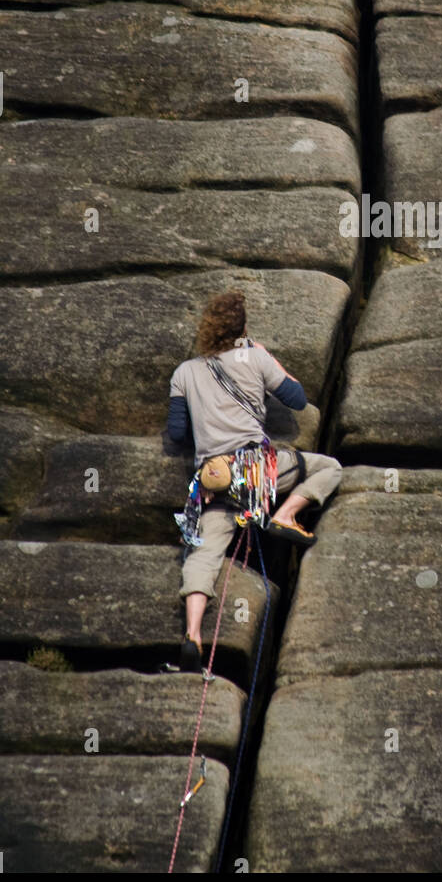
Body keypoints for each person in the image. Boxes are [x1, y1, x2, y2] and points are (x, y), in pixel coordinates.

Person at [166, 288, 342, 671]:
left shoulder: (184, 372)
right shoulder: (254, 356)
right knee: (329, 467)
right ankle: (286, 515)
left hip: (212, 479)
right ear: (242, 327)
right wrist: (266, 356)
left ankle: (192, 634)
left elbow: (178, 433)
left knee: (203, 554)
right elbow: (296, 398)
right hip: (257, 473)